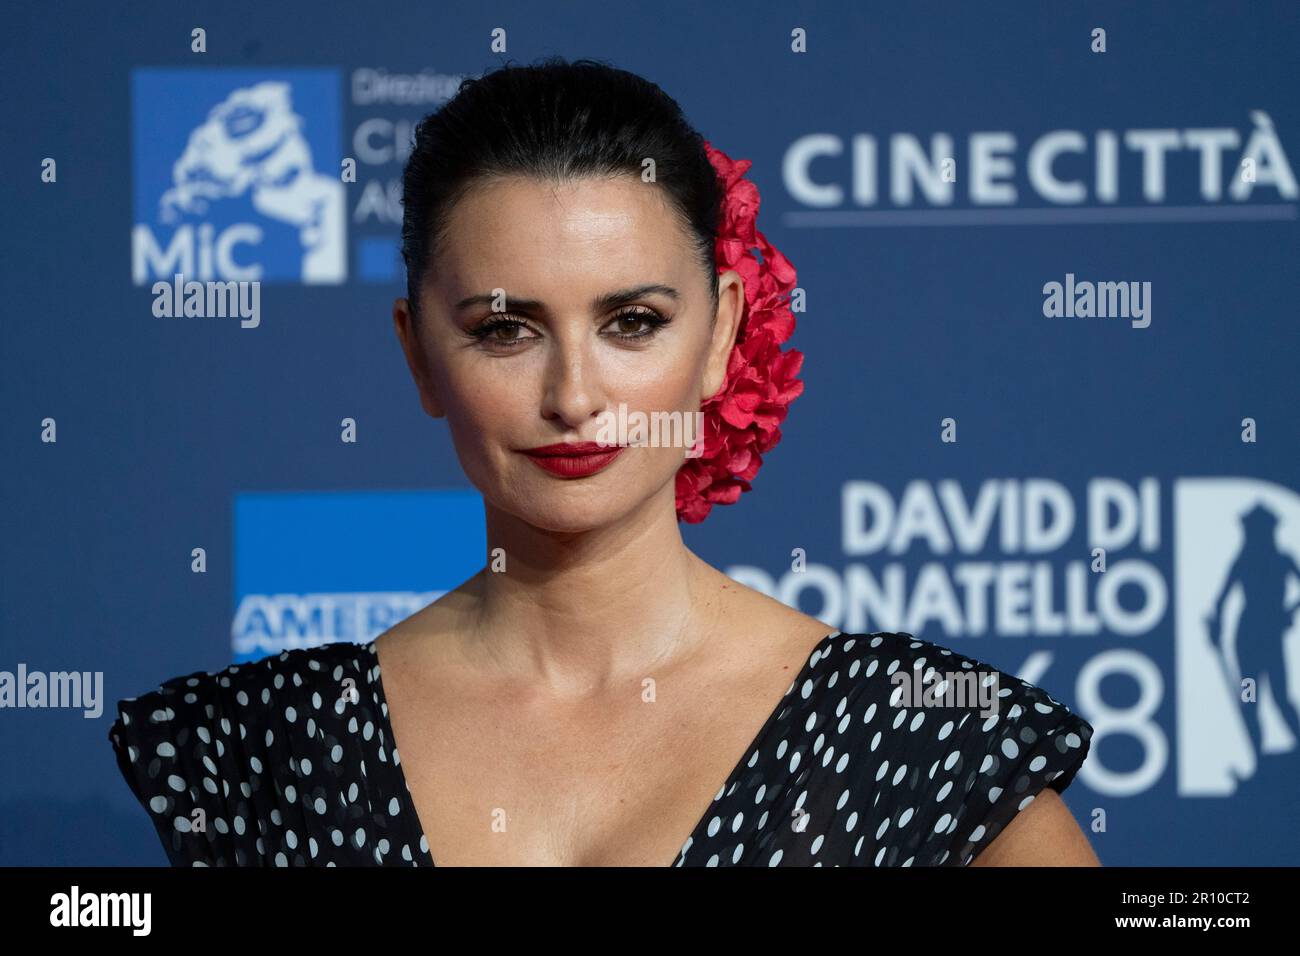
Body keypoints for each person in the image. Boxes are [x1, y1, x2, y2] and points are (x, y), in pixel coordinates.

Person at [108, 56, 1097, 867]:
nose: (574, 396)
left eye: (632, 322)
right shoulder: (254, 749)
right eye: (505, 328)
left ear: (719, 338)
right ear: (416, 353)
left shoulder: (919, 739)